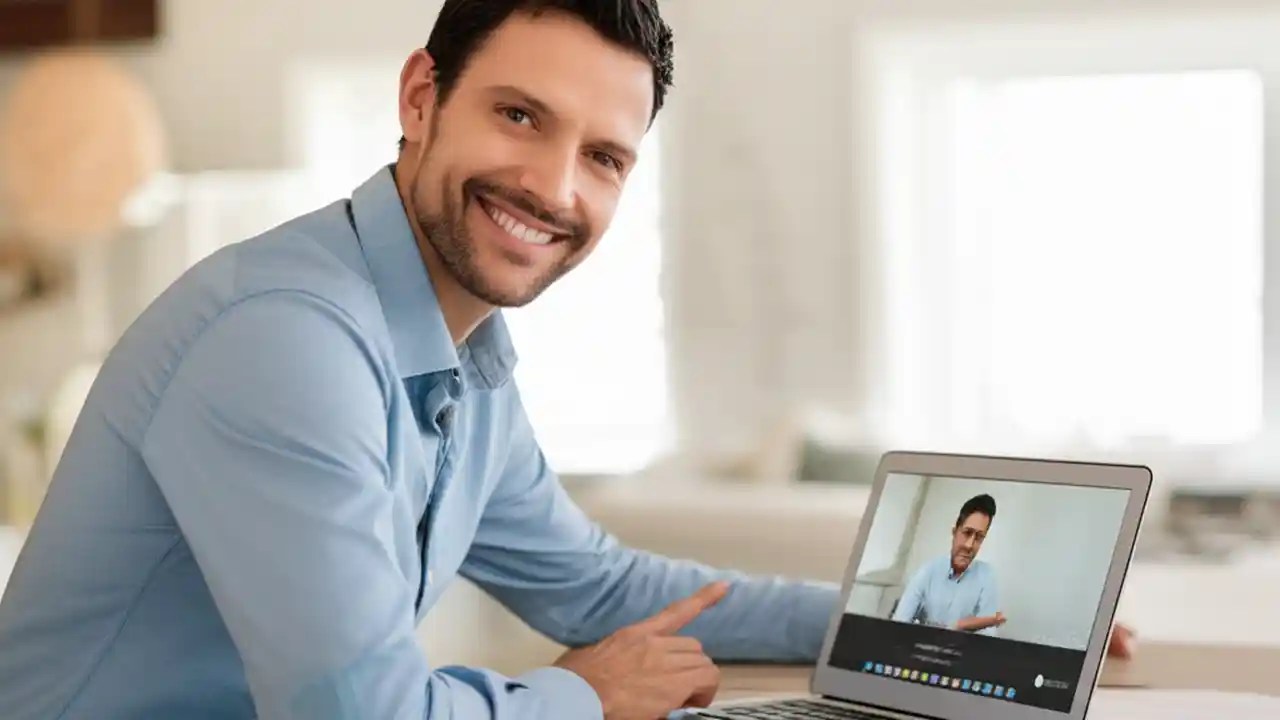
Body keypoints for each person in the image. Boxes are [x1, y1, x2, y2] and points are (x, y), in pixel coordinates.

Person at [0, 2, 1135, 719]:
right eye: (517, 116)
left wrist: (895, 630)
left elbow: (594, 585)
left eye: (602, 156)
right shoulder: (285, 339)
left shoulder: (466, 359)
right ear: (418, 98)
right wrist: (573, 697)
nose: (554, 188)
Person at [892, 494, 1007, 635]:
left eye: (978, 537)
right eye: (967, 533)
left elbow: (987, 639)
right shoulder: (927, 572)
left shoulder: (987, 577)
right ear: (954, 532)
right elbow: (898, 626)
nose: (969, 545)